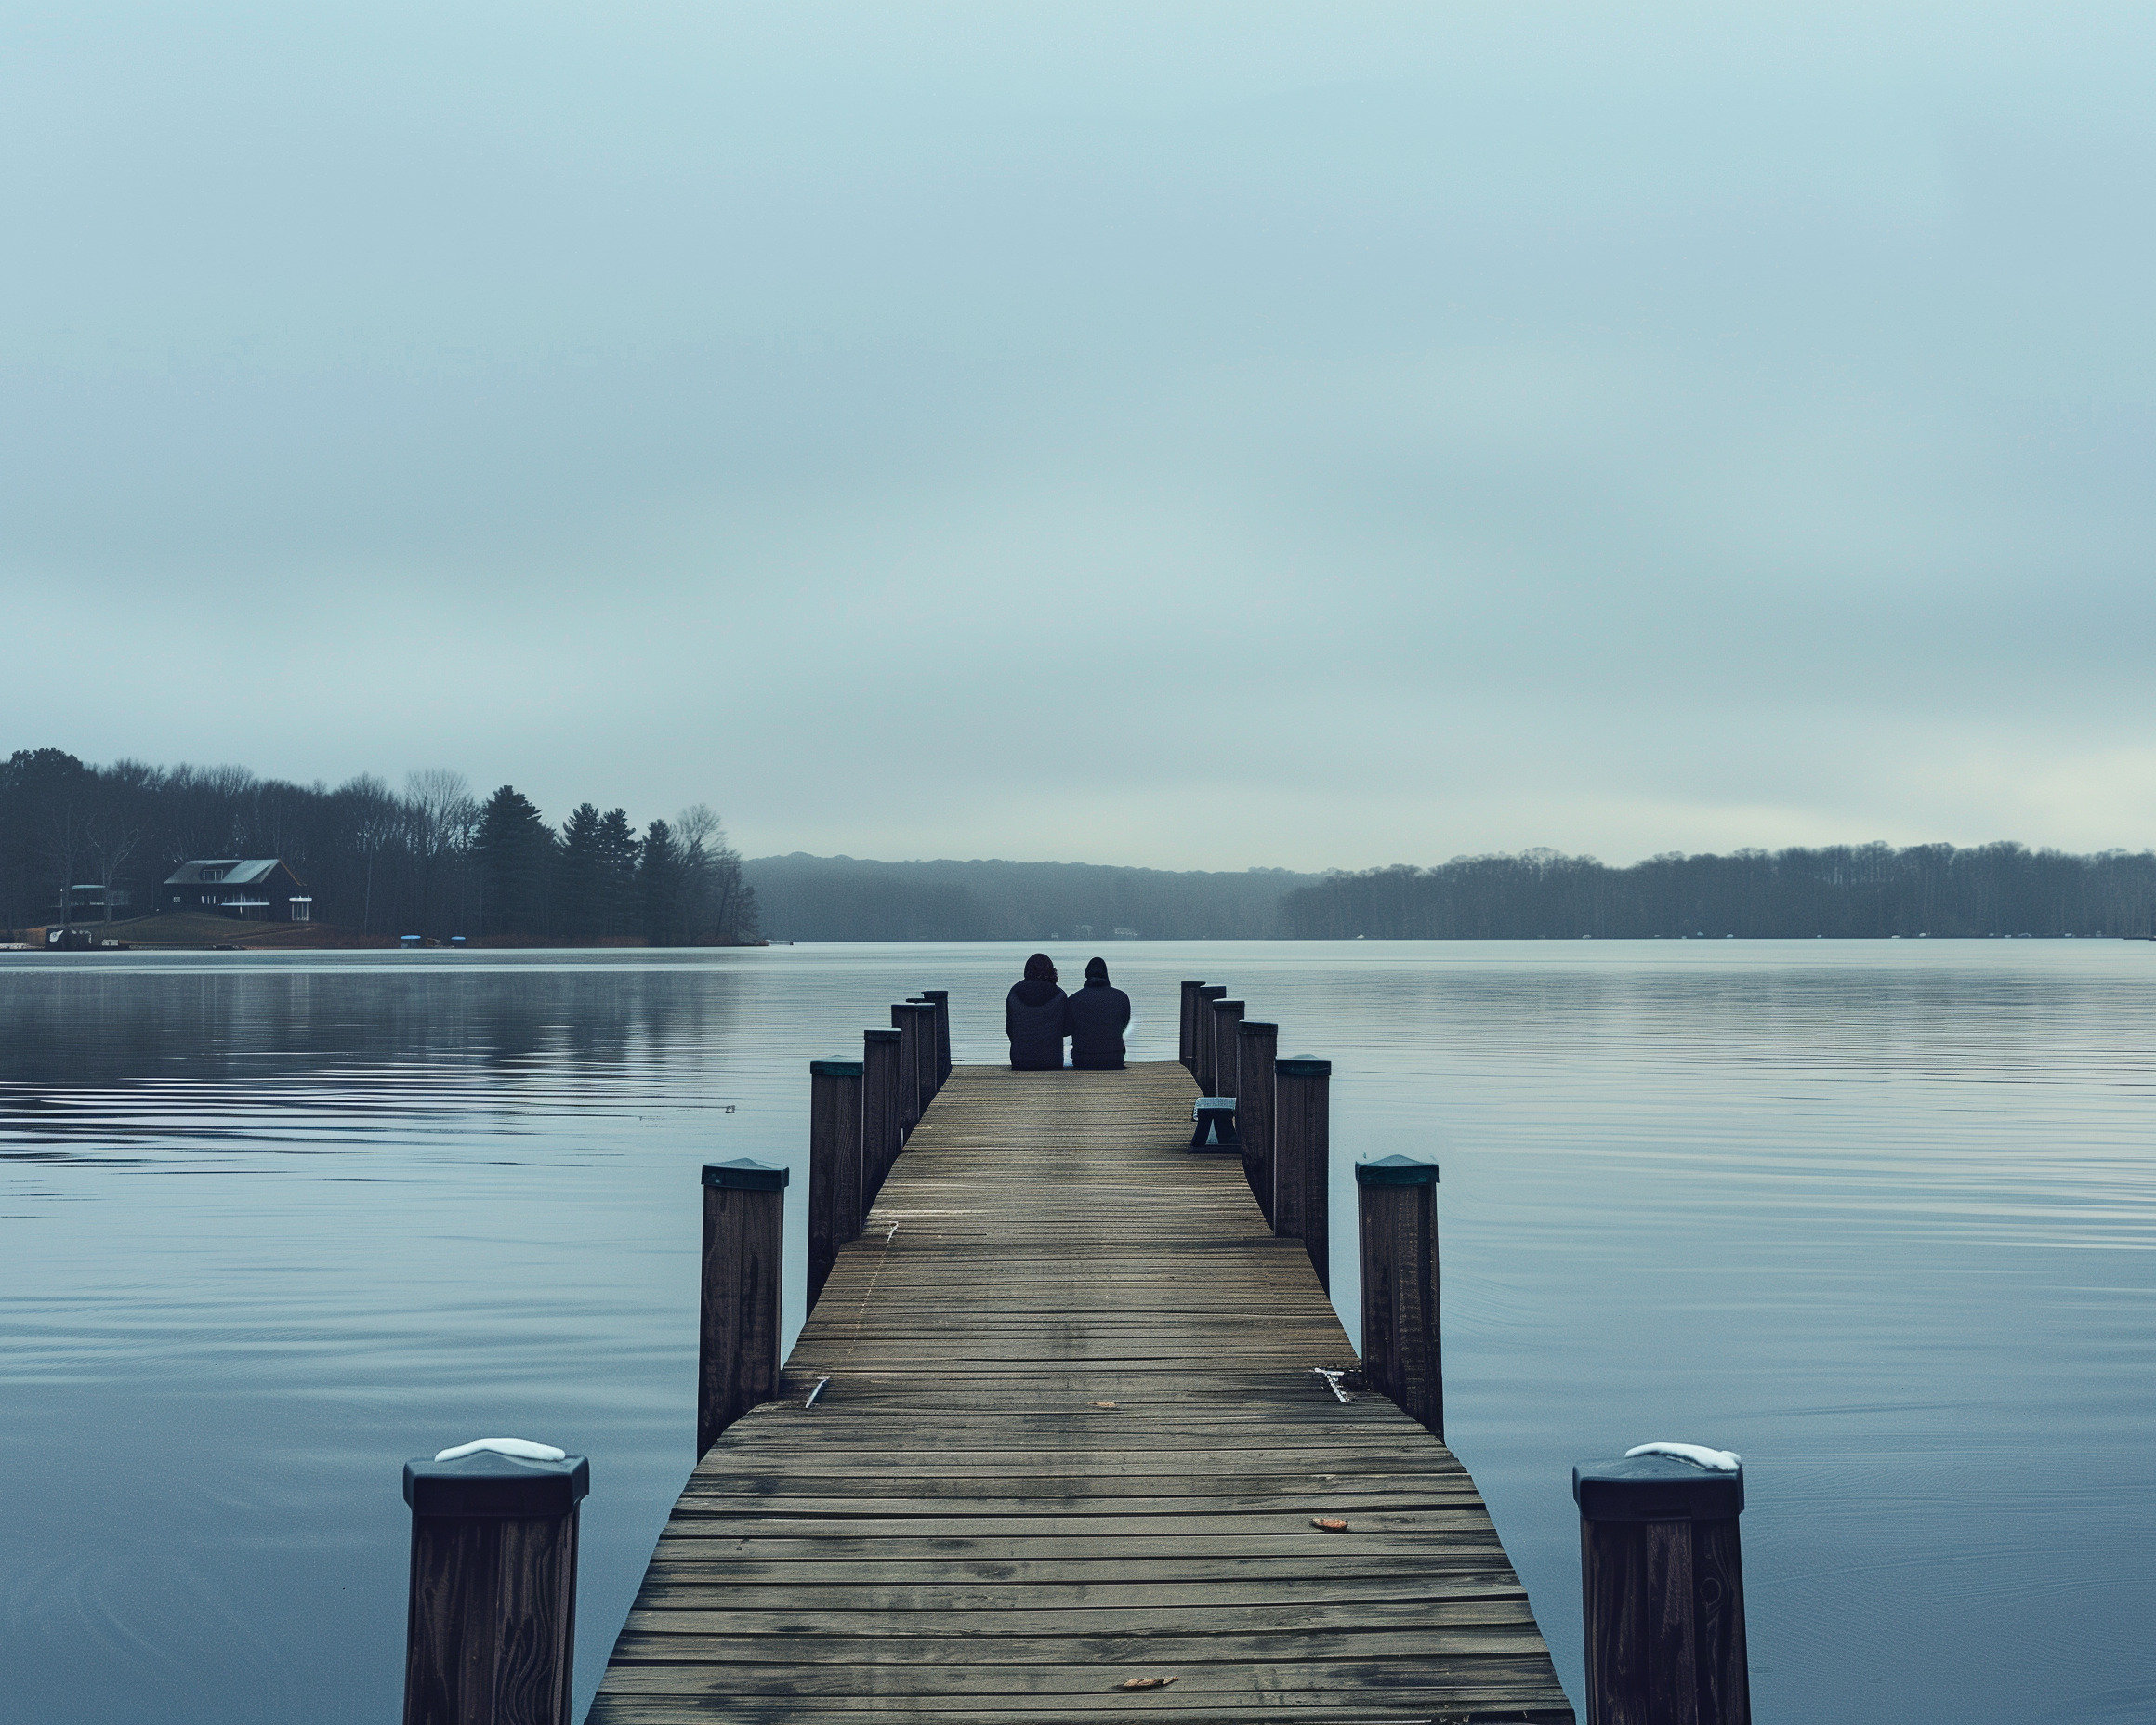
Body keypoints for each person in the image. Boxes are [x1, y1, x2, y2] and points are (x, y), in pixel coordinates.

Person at [1005, 953, 1069, 1070]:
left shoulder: (1014, 992)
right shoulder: (1059, 995)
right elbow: (1066, 1031)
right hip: (1052, 1060)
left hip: (1020, 1061)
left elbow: (1010, 1030)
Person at [1067, 955, 1132, 1070]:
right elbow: (1123, 1024)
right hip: (1115, 1058)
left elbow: (1066, 1030)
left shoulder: (1074, 999)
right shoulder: (1121, 997)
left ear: (1087, 974)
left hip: (1083, 1059)